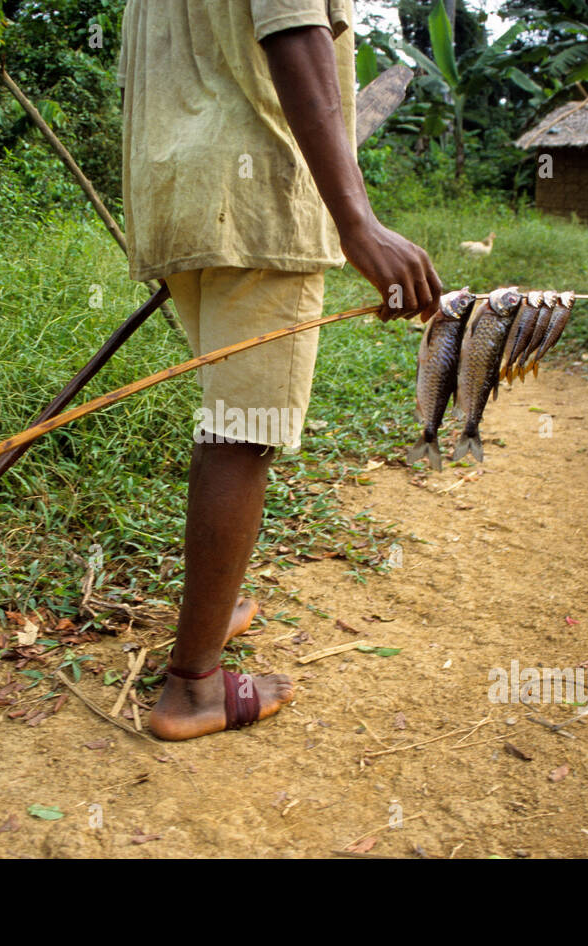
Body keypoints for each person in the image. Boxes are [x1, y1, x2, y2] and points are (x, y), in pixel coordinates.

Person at [118, 0, 441, 739]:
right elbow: (294, 33)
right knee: (244, 432)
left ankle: (215, 607)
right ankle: (193, 687)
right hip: (260, 195)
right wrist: (357, 223)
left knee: (227, 413)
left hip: (181, 191)